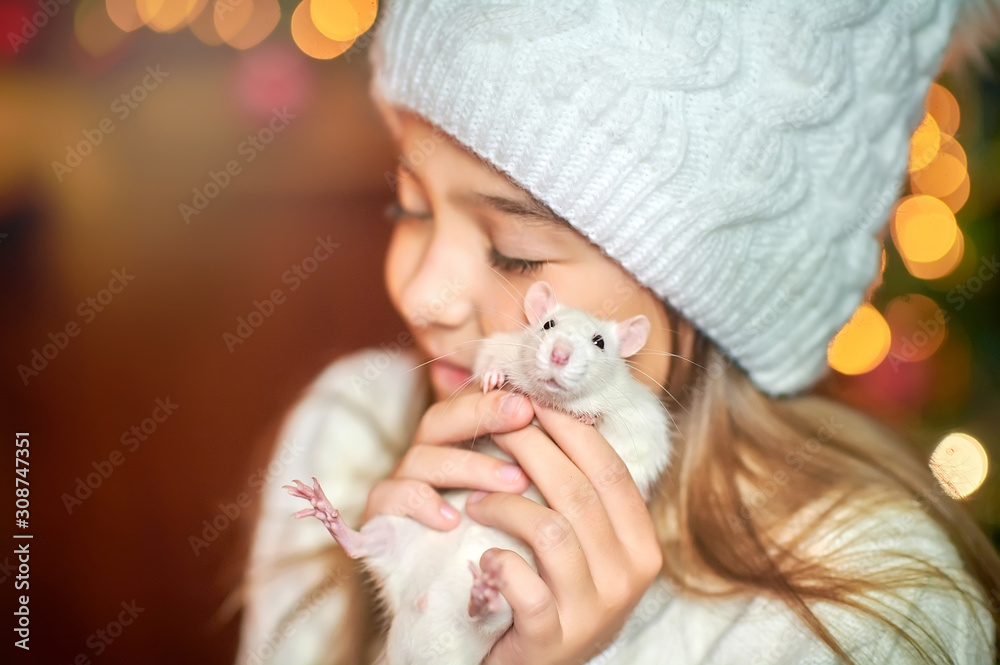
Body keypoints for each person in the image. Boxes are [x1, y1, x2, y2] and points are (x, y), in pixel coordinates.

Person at [235, 1, 1000, 663]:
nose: (422, 293)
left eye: (515, 251)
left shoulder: (865, 609)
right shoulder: (353, 429)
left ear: (710, 294)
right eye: (410, 207)